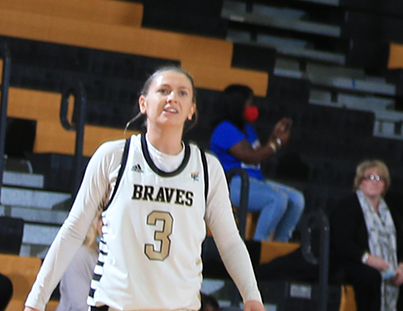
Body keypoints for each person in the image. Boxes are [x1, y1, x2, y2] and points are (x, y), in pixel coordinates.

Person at [23, 66, 265, 311]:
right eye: (163, 90)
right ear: (143, 103)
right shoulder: (113, 156)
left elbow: (230, 242)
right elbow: (73, 230)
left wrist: (252, 296)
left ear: (192, 109)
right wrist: (36, 299)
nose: (172, 97)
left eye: (182, 93)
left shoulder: (207, 168)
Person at [210, 84, 307, 242]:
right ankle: (258, 245)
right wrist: (276, 143)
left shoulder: (246, 128)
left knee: (296, 199)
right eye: (250, 103)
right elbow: (251, 157)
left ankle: (280, 244)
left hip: (254, 181)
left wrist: (274, 137)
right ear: (237, 104)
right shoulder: (224, 129)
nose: (253, 107)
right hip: (232, 184)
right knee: (277, 199)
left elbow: (258, 154)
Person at [331, 159, 403, 311]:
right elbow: (343, 243)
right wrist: (369, 259)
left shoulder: (391, 212)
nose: (375, 182)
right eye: (370, 178)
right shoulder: (347, 206)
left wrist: (402, 268)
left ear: (385, 185)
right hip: (353, 262)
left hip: (387, 267)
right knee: (371, 276)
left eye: (380, 178)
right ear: (360, 182)